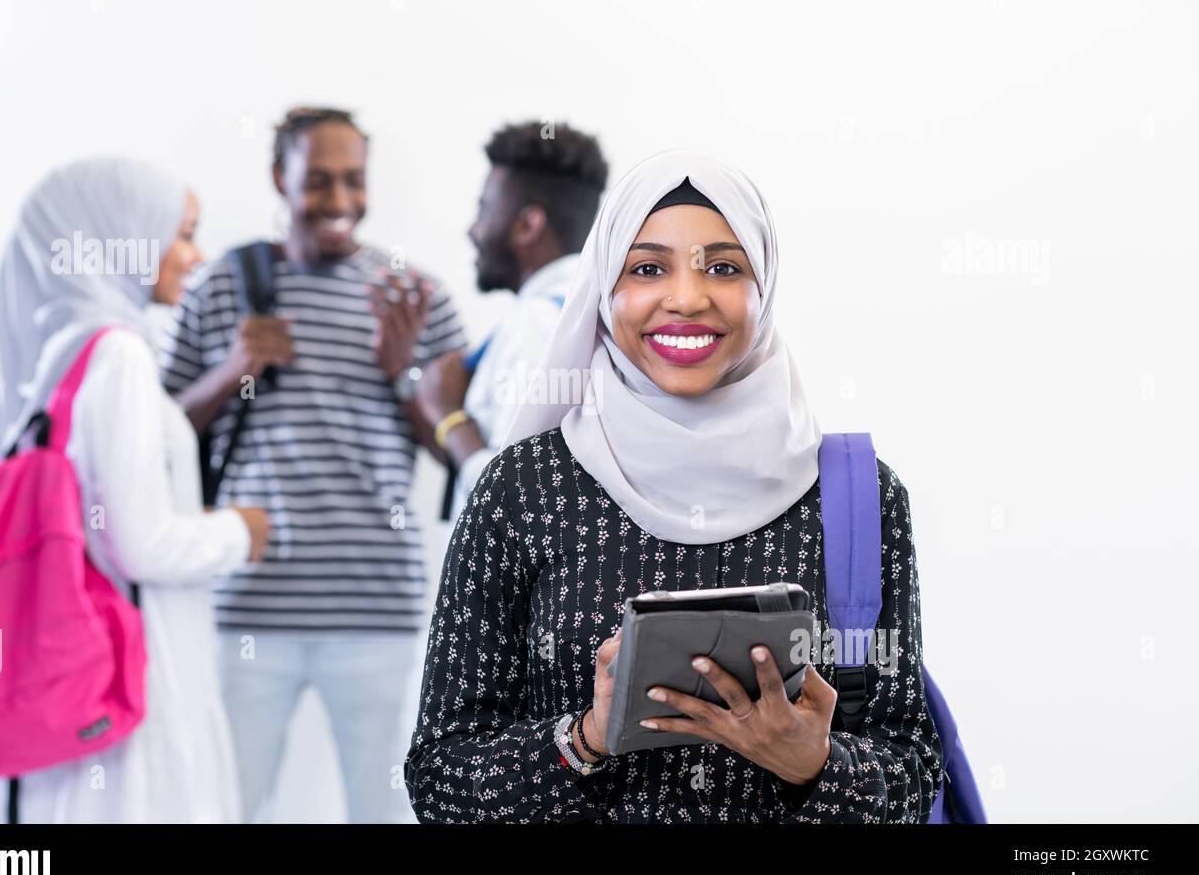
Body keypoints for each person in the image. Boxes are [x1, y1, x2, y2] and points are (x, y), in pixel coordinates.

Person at [404, 150, 943, 823]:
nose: (686, 298)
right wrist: (586, 738)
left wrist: (816, 766)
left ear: (765, 284)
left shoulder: (858, 497)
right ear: (604, 288)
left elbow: (915, 771)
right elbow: (439, 779)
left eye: (723, 267)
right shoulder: (524, 490)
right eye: (648, 268)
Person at [160, 106, 466, 823]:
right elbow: (158, 437)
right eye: (318, 181)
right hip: (247, 605)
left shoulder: (413, 297)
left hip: (378, 604)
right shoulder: (220, 287)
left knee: (383, 808)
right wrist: (235, 367)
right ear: (280, 178)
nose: (339, 202)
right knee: (226, 805)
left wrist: (401, 374)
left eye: (354, 181)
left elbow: (461, 454)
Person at [0, 157, 269, 822]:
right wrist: (237, 531)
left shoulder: (60, 350)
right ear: (122, 233)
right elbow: (142, 544)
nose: (195, 257)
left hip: (80, 675)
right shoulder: (119, 358)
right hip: (142, 673)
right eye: (183, 233)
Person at [416, 121, 607, 511]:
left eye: (484, 209)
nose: (474, 230)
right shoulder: (595, 314)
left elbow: (519, 502)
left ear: (527, 225)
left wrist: (448, 415)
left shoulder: (535, 324)